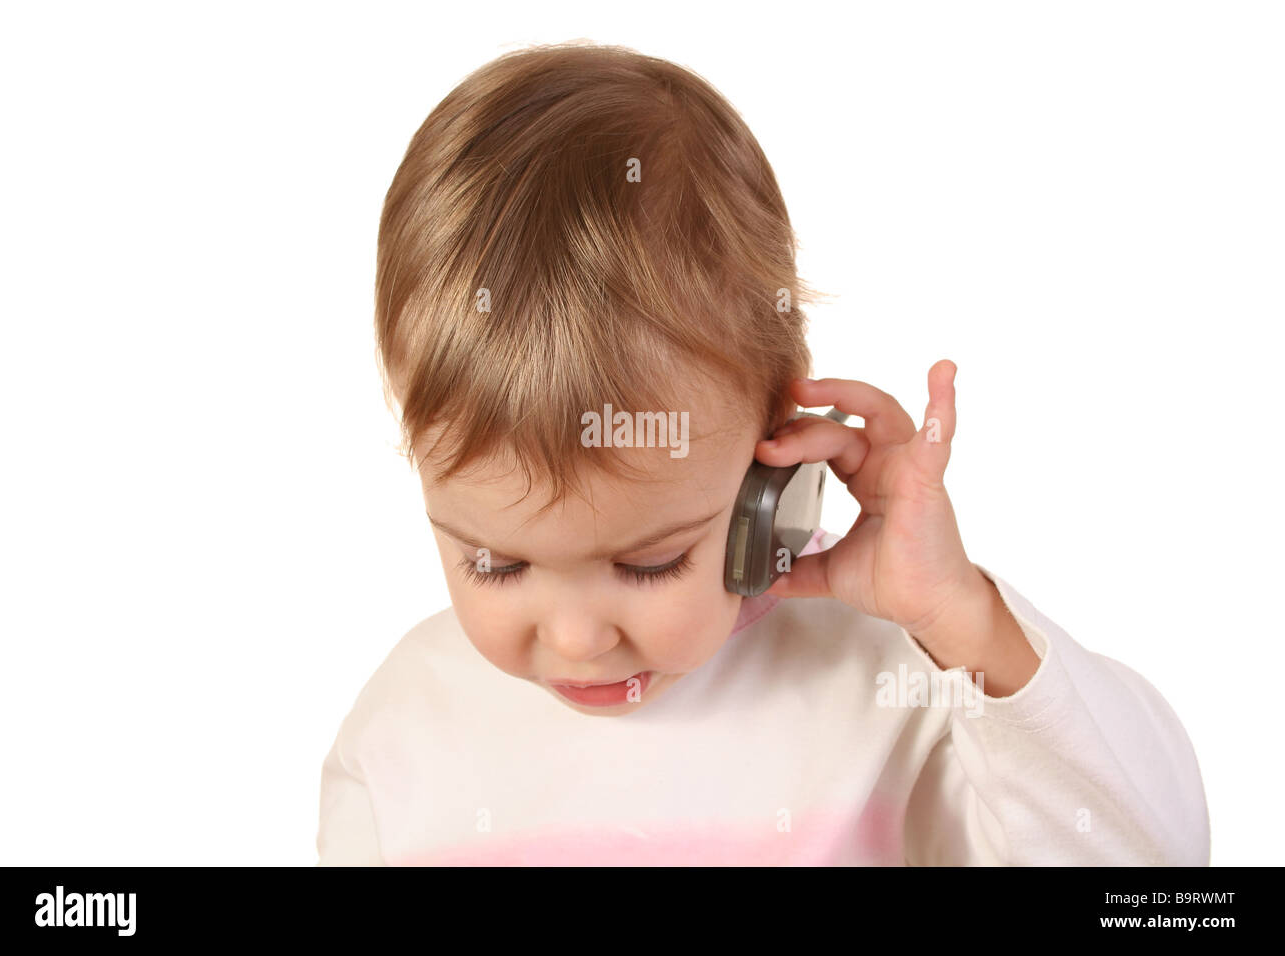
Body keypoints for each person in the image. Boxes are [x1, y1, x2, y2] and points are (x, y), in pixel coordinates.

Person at [316, 42, 1209, 865]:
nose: (578, 637)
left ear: (768, 463)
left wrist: (961, 620)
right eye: (496, 564)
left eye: (651, 562)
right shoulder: (401, 738)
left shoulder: (896, 683)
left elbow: (1155, 875)